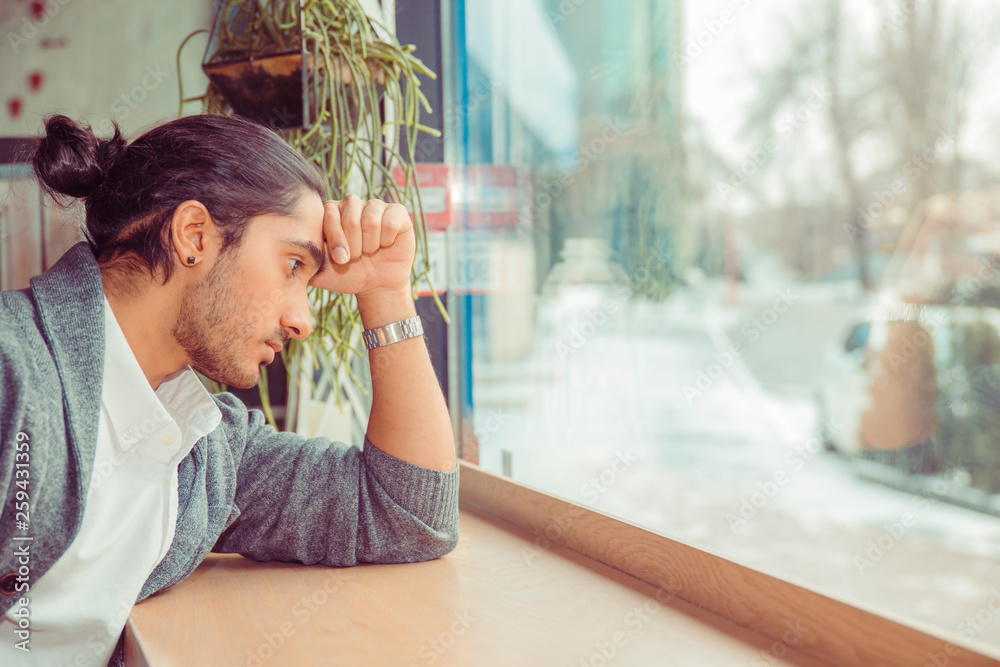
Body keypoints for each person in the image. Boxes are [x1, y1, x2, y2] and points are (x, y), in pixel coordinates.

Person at [0, 114, 460, 667]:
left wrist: (386, 293)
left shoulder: (206, 454)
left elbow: (409, 517)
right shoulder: (14, 372)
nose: (302, 320)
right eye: (293, 265)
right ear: (194, 236)